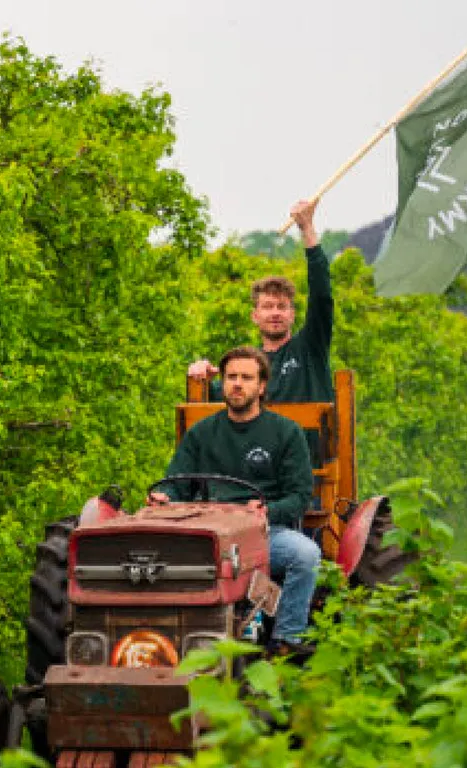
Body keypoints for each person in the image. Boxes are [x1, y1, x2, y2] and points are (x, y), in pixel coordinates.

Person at [150, 346, 318, 655]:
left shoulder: (286, 433)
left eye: (246, 378)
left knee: (304, 554)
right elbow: (176, 482)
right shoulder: (201, 433)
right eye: (231, 377)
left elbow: (299, 496)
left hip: (264, 534)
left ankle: (286, 639)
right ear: (223, 384)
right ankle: (166, 638)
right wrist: (165, 497)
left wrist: (269, 510)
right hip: (208, 532)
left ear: (262, 386)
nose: (237, 384)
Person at [187, 199, 333, 404]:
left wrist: (307, 228)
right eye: (267, 306)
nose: (275, 312)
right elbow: (217, 402)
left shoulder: (309, 347)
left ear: (292, 314)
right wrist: (201, 377)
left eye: (282, 306)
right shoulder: (248, 365)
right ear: (254, 316)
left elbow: (321, 294)